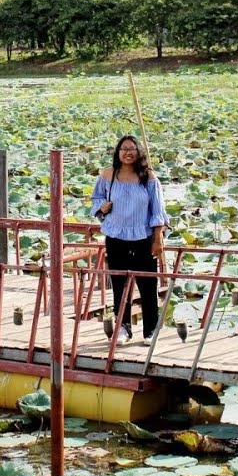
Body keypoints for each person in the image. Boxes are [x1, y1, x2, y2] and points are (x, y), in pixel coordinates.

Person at [90, 134, 168, 345]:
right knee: (119, 283)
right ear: (118, 152)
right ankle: (123, 328)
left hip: (143, 236)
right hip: (116, 236)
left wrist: (158, 238)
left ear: (138, 152)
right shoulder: (109, 175)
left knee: (147, 284)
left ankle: (150, 330)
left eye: (132, 149)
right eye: (123, 149)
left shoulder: (149, 177)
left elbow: (158, 210)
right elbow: (96, 198)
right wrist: (102, 207)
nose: (127, 153)